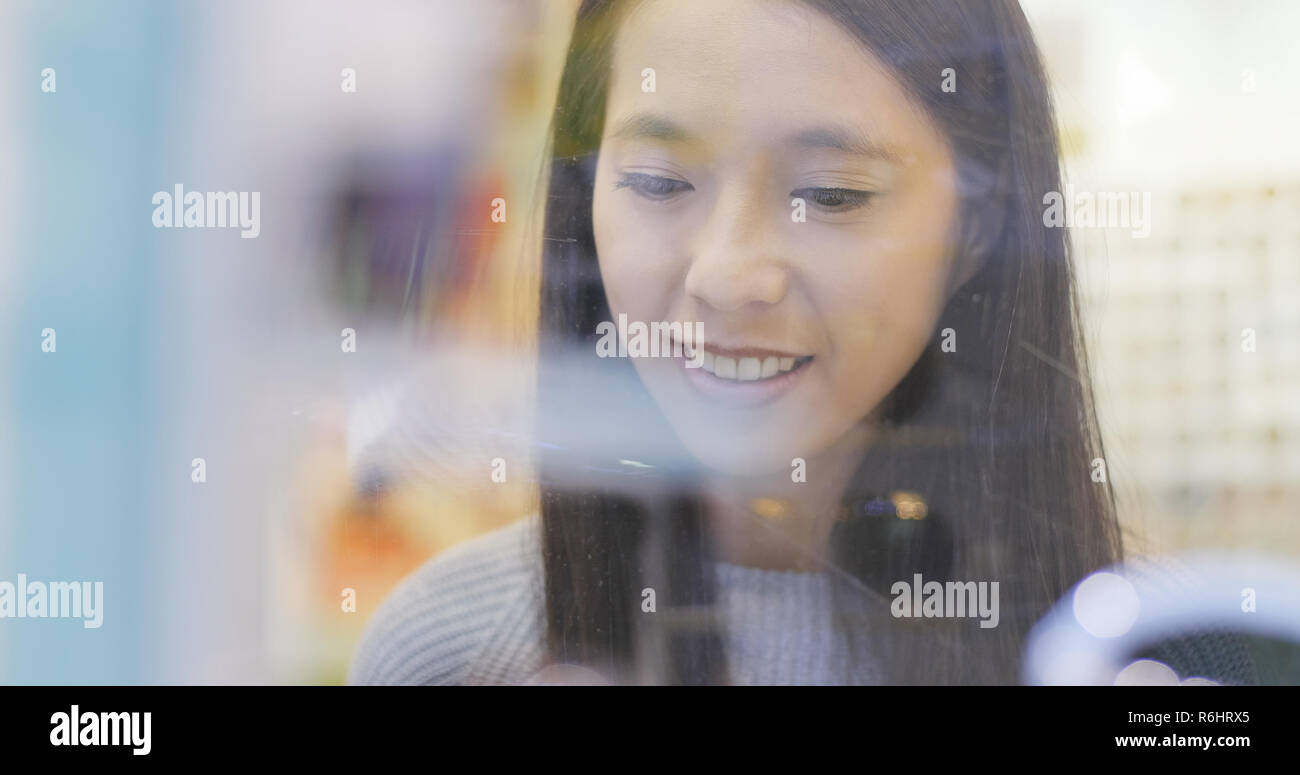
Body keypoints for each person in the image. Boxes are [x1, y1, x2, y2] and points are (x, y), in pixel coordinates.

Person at [349, 0, 1250, 685]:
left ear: (976, 228)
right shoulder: (454, 649)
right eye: (658, 182)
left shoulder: (1165, 663)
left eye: (830, 194)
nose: (728, 272)